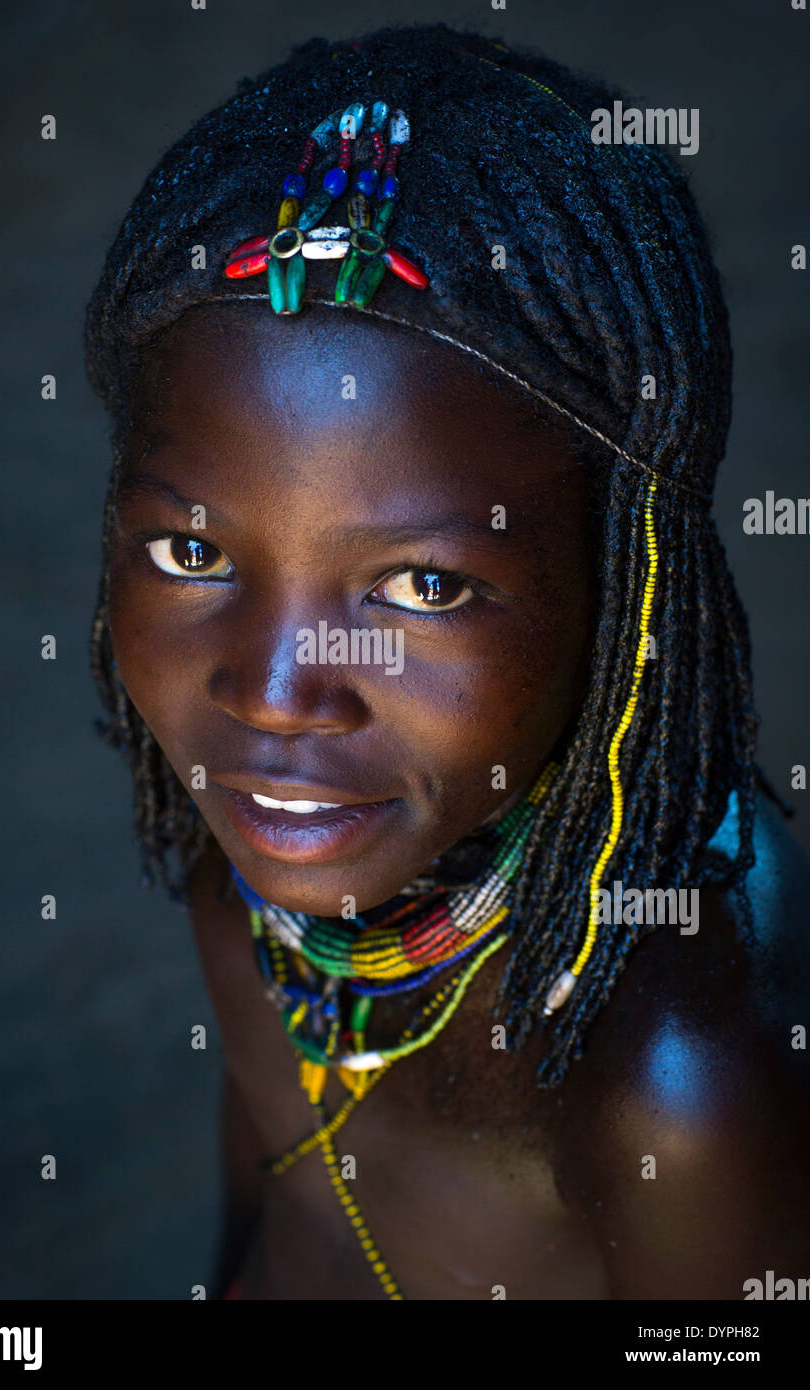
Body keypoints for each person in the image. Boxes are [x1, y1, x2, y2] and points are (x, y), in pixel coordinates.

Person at [83, 23, 810, 1299]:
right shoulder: (270, 841)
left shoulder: (672, 1071)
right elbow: (277, 1158)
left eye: (422, 585)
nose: (272, 693)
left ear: (624, 584)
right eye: (193, 556)